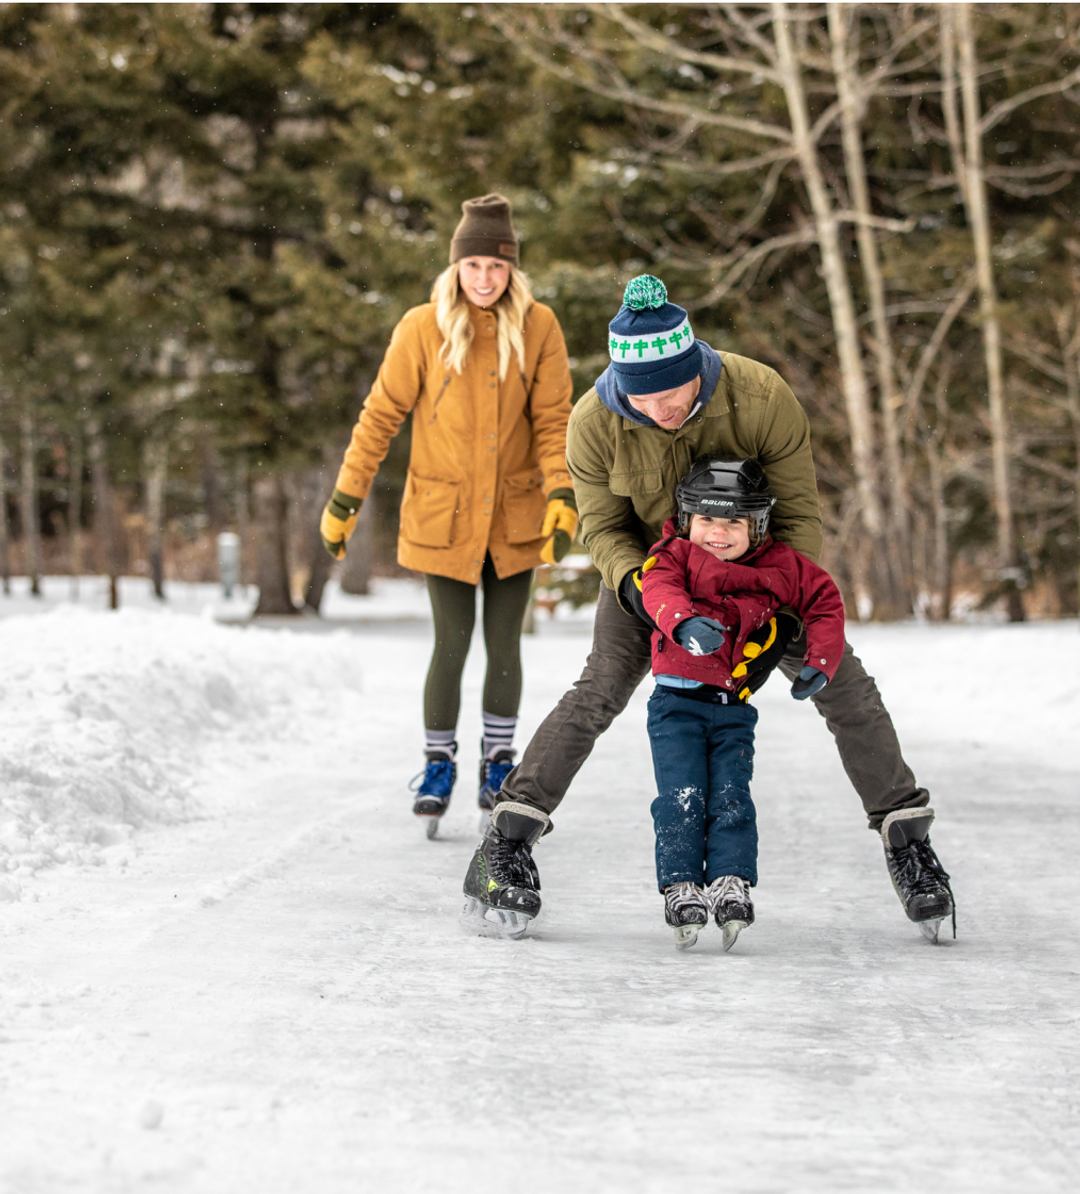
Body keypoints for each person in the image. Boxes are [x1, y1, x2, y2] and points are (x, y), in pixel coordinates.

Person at [462, 273, 954, 939]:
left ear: (697, 367)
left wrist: (783, 612)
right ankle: (506, 840)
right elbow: (602, 528)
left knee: (845, 685)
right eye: (642, 397)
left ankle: (907, 840)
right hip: (653, 576)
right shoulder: (594, 422)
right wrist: (642, 593)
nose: (659, 408)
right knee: (600, 688)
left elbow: (800, 514)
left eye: (672, 393)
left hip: (760, 579)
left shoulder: (760, 397)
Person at [320, 194, 575, 836]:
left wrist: (562, 495)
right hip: (445, 516)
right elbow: (380, 417)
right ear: (455, 266)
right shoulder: (421, 327)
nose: (484, 279)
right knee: (451, 643)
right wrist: (346, 499)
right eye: (474, 266)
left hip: (514, 516)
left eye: (497, 266)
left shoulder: (539, 326)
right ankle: (438, 764)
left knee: (504, 643)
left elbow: (554, 421)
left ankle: (498, 763)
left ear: (512, 269)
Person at [640, 456, 845, 951]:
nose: (718, 533)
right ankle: (681, 885)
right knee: (682, 796)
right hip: (675, 706)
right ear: (687, 518)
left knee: (732, 796)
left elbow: (823, 599)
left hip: (734, 708)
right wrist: (683, 622)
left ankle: (731, 881)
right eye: (707, 519)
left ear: (757, 524)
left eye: (734, 522)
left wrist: (821, 659)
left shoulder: (781, 566)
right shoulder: (674, 555)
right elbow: (657, 589)